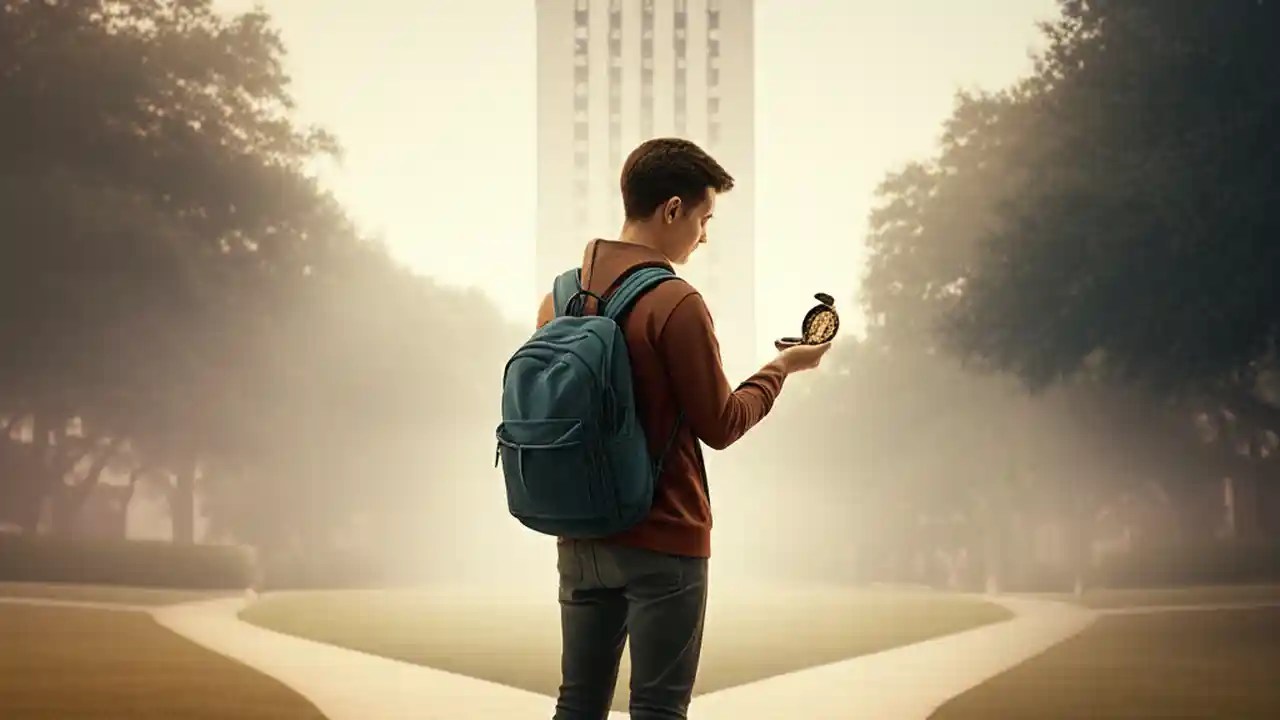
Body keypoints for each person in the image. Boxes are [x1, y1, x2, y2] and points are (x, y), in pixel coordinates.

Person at [535, 137, 830, 720]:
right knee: (659, 709)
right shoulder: (675, 301)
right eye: (703, 218)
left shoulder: (559, 297)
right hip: (665, 537)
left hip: (582, 535)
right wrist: (781, 369)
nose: (703, 235)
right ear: (673, 209)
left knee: (578, 703)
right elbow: (720, 424)